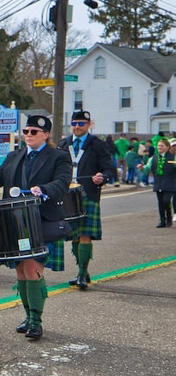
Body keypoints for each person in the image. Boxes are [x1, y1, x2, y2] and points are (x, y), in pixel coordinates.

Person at [0, 115, 71, 340]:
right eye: (27, 131)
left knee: (32, 269)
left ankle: (36, 320)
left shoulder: (58, 157)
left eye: (34, 132)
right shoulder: (14, 156)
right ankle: (28, 315)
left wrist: (42, 189)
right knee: (21, 270)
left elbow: (62, 183)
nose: (29, 135)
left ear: (46, 134)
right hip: (15, 221)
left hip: (40, 220)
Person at [56, 111, 115, 290]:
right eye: (74, 123)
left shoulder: (97, 145)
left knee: (84, 235)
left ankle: (82, 275)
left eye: (81, 123)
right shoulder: (63, 144)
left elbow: (109, 170)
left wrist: (102, 177)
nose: (77, 127)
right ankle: (83, 269)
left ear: (89, 124)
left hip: (88, 194)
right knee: (73, 236)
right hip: (67, 195)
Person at [138, 138, 176, 227]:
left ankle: (169, 218)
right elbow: (147, 169)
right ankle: (162, 221)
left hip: (171, 183)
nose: (159, 147)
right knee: (160, 203)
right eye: (158, 146)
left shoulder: (173, 157)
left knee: (166, 201)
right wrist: (142, 168)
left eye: (162, 146)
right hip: (158, 183)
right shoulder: (153, 158)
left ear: (167, 147)